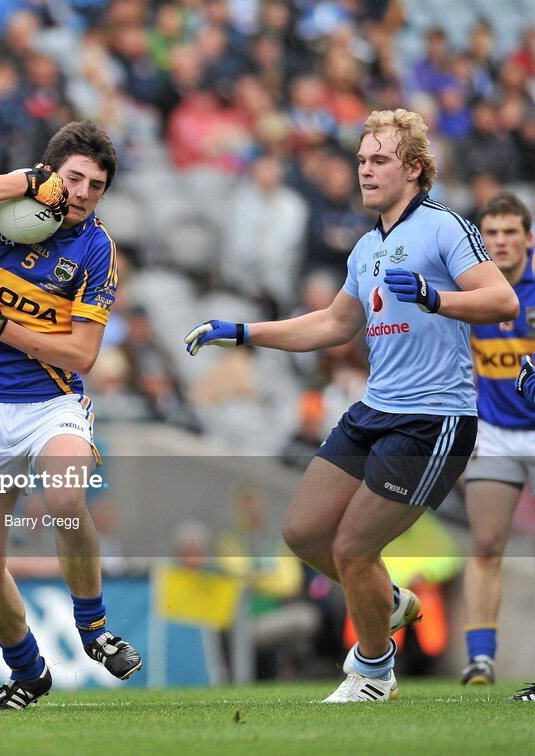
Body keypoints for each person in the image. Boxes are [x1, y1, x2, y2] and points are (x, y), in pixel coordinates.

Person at [185, 108, 518, 703]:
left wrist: (435, 297)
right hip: (374, 410)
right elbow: (333, 324)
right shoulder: (365, 247)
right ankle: (388, 600)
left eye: (379, 159)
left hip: (434, 418)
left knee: (353, 549)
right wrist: (242, 331)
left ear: (413, 169)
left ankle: (373, 674)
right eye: (361, 159)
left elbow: (502, 300)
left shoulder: (445, 227)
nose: (365, 169)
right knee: (303, 532)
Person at [0, 120, 141, 710]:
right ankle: (28, 671)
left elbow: (83, 354)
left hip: (51, 405)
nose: (83, 193)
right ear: (51, 173)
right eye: (74, 178)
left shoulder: (97, 249)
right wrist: (21, 182)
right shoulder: (4, 213)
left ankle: (94, 629)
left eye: (97, 185)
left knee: (66, 497)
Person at [464, 192, 535, 685]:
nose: (501, 241)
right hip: (494, 434)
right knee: (486, 544)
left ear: (528, 238)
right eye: (491, 233)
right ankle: (480, 660)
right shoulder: (469, 289)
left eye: (511, 232)